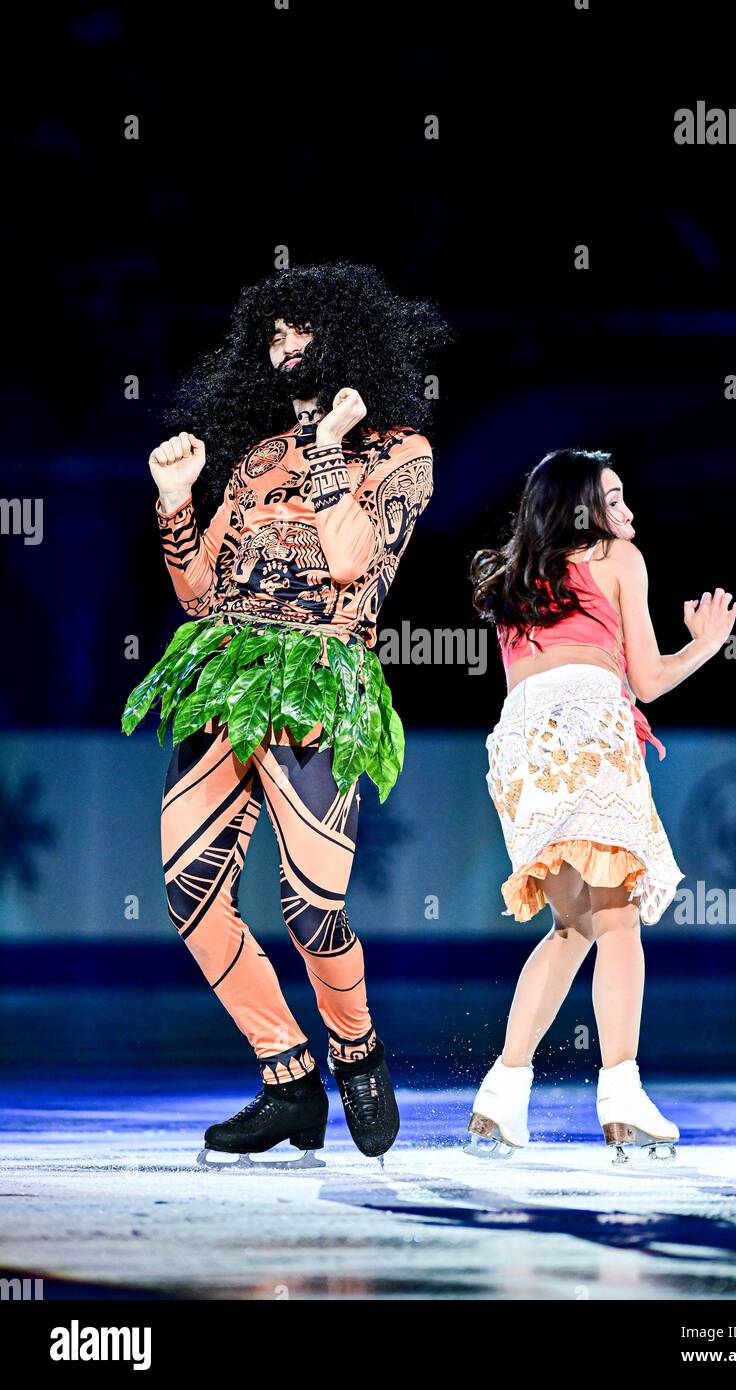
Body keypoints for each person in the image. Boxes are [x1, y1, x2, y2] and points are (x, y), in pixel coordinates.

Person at [122, 263, 449, 1163]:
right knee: (190, 893)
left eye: (299, 331)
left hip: (319, 679)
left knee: (313, 908)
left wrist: (337, 444)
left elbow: (350, 561)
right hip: (226, 678)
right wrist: (177, 502)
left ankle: (356, 1050)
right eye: (271, 336)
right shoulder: (258, 459)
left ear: (345, 343)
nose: (283, 348)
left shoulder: (401, 453)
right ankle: (287, 1077)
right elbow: (198, 593)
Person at [466, 448, 736, 1162]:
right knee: (618, 921)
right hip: (584, 725)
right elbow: (644, 681)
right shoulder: (618, 557)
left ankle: (502, 1093)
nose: (628, 515)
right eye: (614, 500)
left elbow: (533, 683)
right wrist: (706, 645)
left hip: (520, 745)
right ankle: (622, 1093)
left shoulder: (510, 578)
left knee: (573, 925)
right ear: (584, 507)